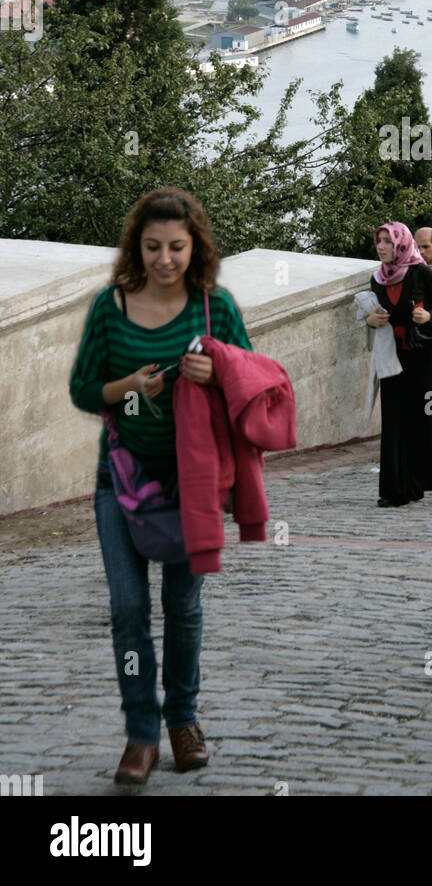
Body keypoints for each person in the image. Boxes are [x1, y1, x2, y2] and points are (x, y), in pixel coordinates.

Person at [69, 187, 253, 786]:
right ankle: (141, 733)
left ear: (194, 245)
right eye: (153, 247)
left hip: (192, 483)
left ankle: (183, 722)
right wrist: (126, 386)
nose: (165, 259)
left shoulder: (213, 309)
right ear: (137, 247)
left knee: (183, 606)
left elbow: (250, 384)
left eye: (176, 246)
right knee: (128, 609)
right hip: (119, 480)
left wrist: (216, 369)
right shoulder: (109, 306)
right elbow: (82, 388)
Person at [366, 222, 432, 505]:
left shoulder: (421, 273)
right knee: (394, 423)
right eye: (379, 241)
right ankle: (395, 491)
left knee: (427, 418)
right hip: (392, 360)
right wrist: (369, 320)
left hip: (424, 359)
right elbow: (371, 314)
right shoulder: (377, 279)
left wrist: (429, 315)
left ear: (401, 244)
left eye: (388, 242)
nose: (381, 247)